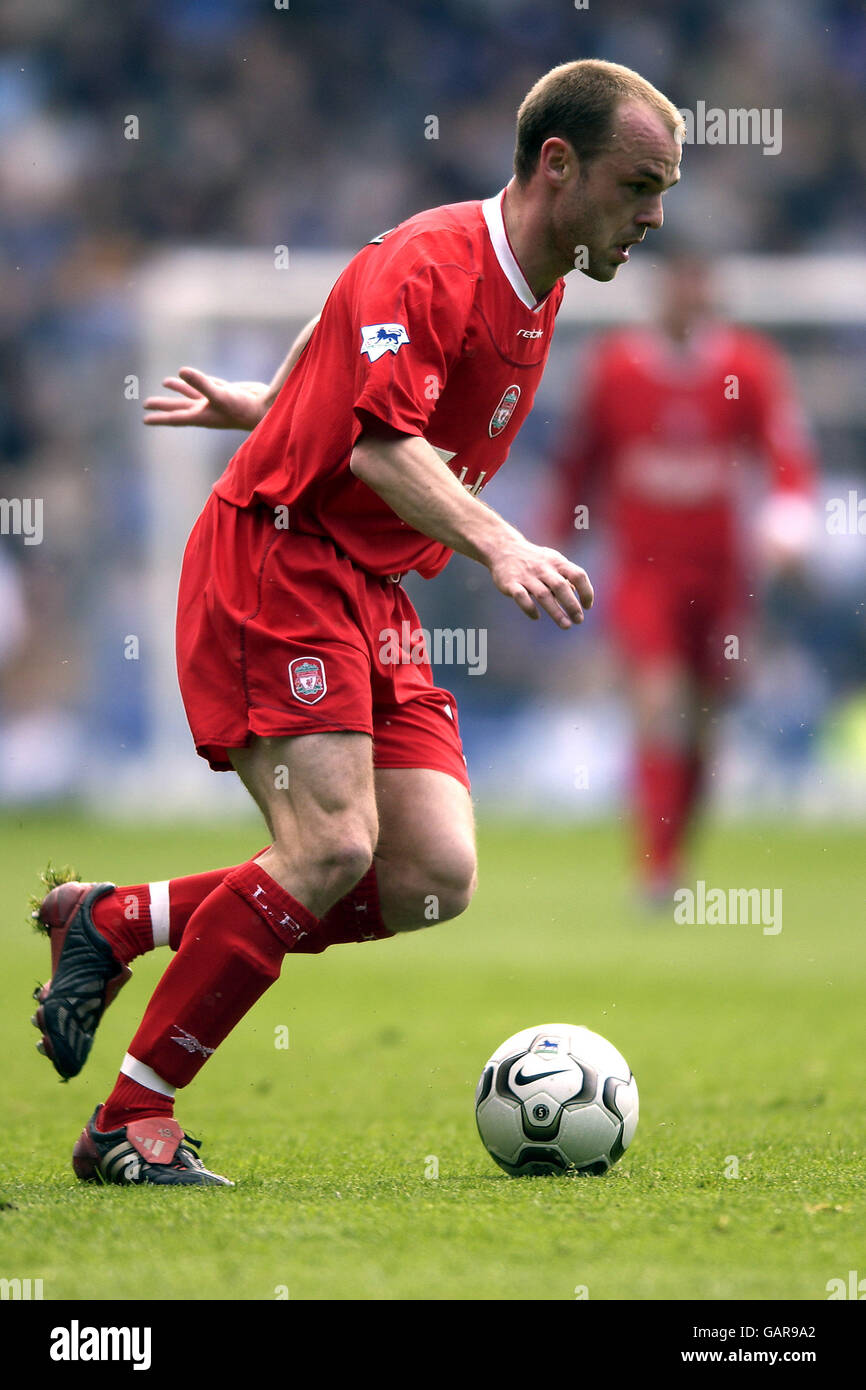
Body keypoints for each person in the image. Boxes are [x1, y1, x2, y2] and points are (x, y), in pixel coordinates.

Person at [31, 59, 683, 1185]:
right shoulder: (435, 259)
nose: (654, 217)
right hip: (279, 556)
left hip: (368, 587)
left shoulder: (544, 274)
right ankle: (128, 1121)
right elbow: (383, 443)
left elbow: (344, 331)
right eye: (637, 186)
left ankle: (117, 919)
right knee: (329, 847)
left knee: (429, 872)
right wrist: (500, 541)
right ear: (556, 165)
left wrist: (267, 402)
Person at [548, 254, 817, 902]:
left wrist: (789, 518)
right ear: (658, 290)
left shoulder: (746, 368)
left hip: (722, 576)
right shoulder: (614, 369)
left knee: (703, 719)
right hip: (644, 573)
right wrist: (553, 538)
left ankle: (674, 851)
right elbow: (578, 461)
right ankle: (655, 871)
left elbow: (785, 452)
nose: (690, 296)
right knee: (659, 703)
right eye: (679, 283)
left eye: (700, 284)